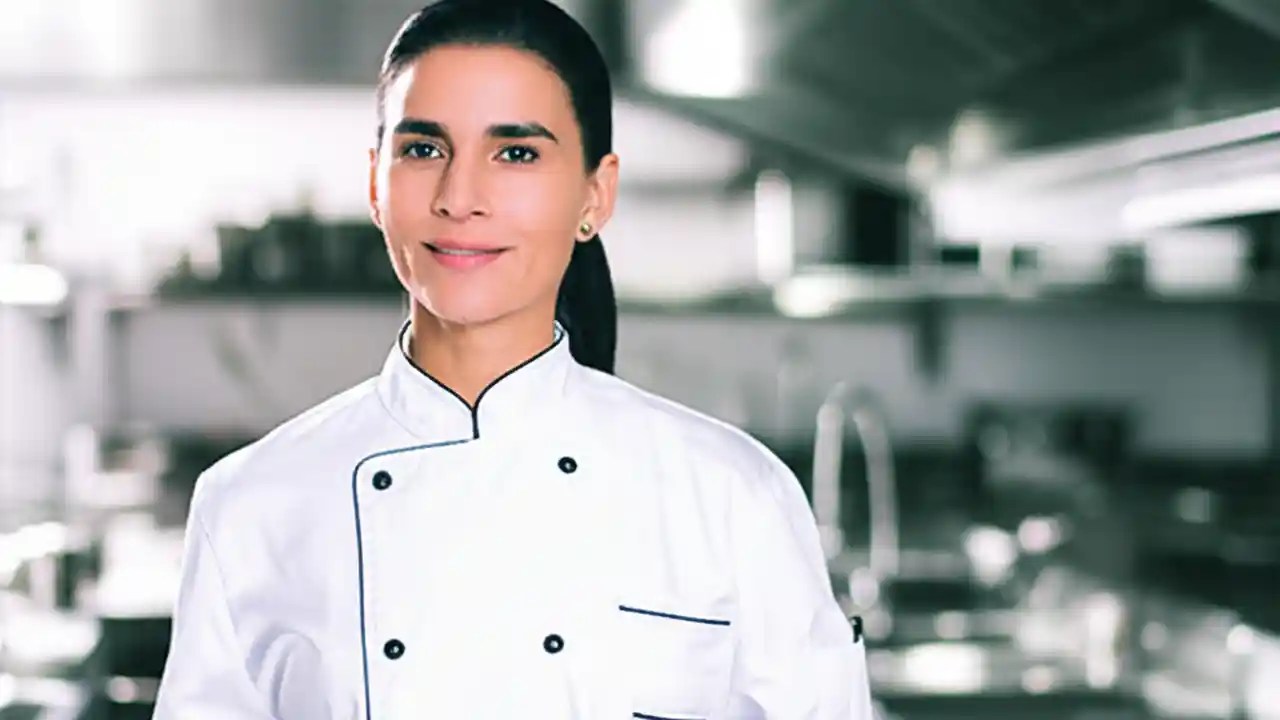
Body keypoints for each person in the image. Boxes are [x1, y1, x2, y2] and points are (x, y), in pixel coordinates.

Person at [153, 1, 877, 717]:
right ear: (376, 185)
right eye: (424, 150)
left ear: (596, 195)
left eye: (516, 153)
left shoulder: (734, 497)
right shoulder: (249, 507)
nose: (460, 198)